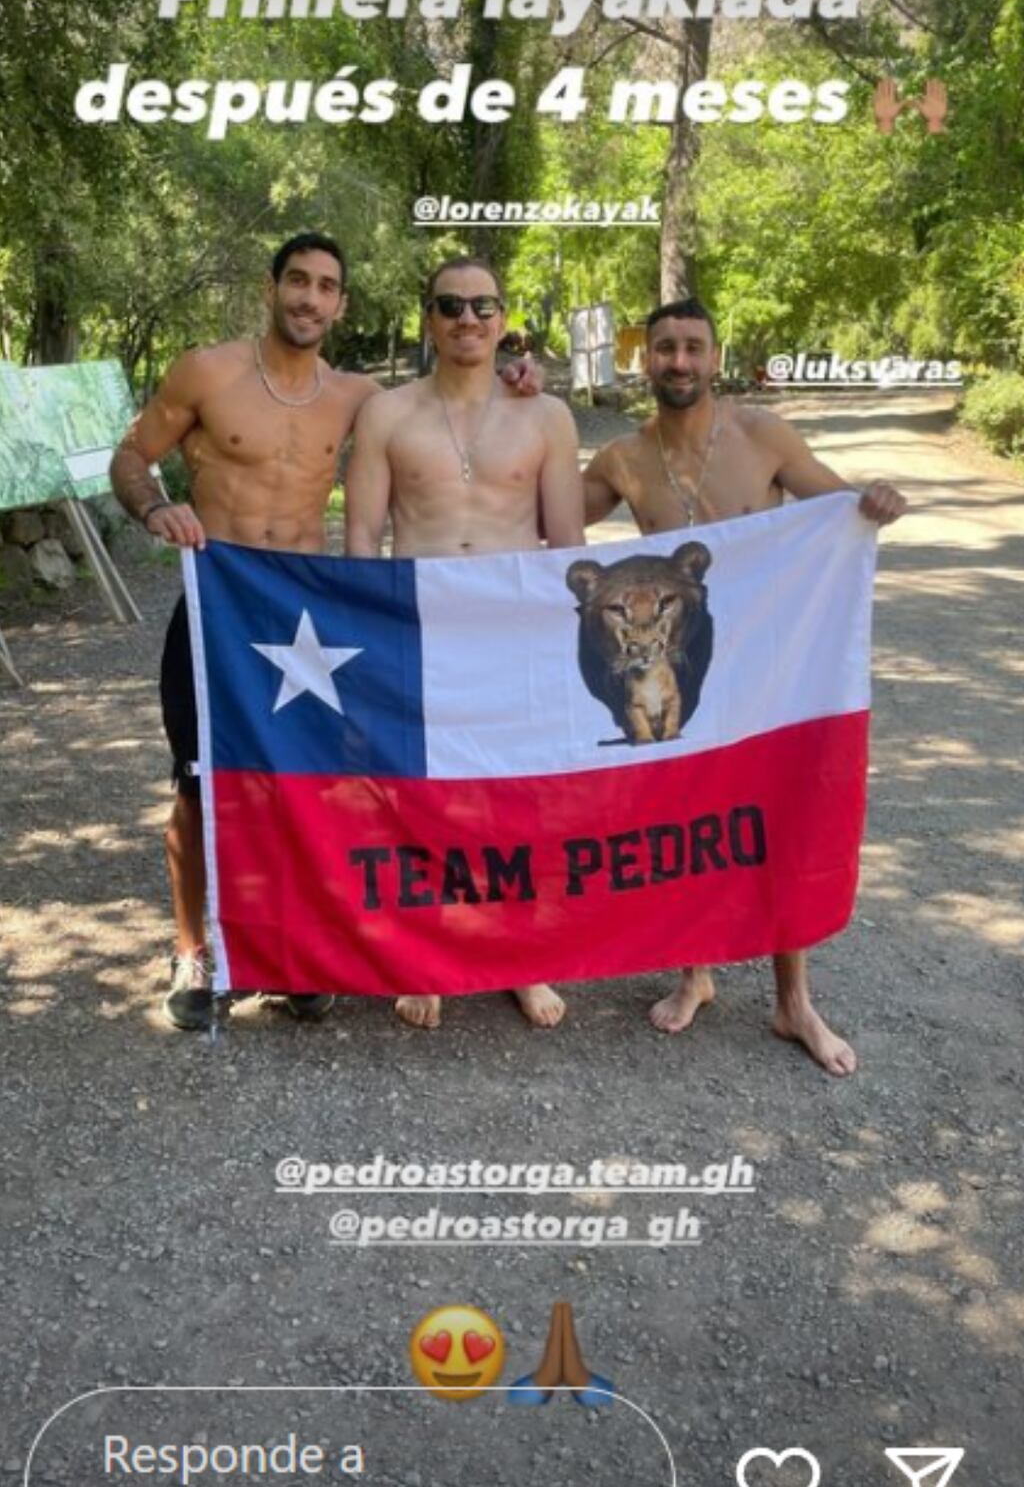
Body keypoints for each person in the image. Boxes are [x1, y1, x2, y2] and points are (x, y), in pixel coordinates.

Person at [110, 233, 543, 1030]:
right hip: (223, 603)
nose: (311, 298)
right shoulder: (207, 372)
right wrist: (154, 505)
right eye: (298, 282)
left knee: (306, 784)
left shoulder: (359, 397)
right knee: (200, 781)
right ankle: (192, 951)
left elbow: (448, 396)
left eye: (327, 287)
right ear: (272, 286)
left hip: (308, 615)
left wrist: (518, 376)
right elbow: (132, 455)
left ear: (342, 303)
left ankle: (287, 951)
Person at [582, 296, 907, 1075]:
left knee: (778, 820)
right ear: (645, 360)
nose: (679, 362)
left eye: (693, 347)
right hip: (682, 665)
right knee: (686, 817)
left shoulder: (763, 435)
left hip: (769, 663)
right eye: (664, 348)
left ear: (716, 358)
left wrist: (878, 500)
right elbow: (541, 522)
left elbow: (839, 506)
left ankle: (793, 1001)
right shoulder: (623, 459)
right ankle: (696, 976)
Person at [345, 255, 585, 1030]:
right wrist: (365, 636)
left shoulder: (546, 416)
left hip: (513, 633)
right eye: (451, 306)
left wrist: (567, 642)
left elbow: (569, 544)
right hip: (419, 629)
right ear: (429, 320)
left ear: (505, 318)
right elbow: (361, 539)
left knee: (515, 801)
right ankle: (430, 955)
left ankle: (520, 958)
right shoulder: (386, 413)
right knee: (424, 798)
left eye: (484, 306)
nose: (468, 319)